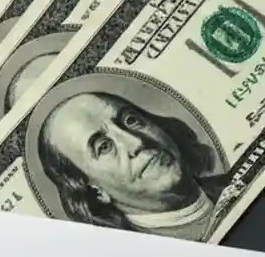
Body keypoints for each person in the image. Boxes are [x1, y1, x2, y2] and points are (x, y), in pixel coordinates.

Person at [37, 92, 226, 241]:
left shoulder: (233, 183)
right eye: (104, 147)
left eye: (130, 120)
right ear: (94, 190)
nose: (137, 142)